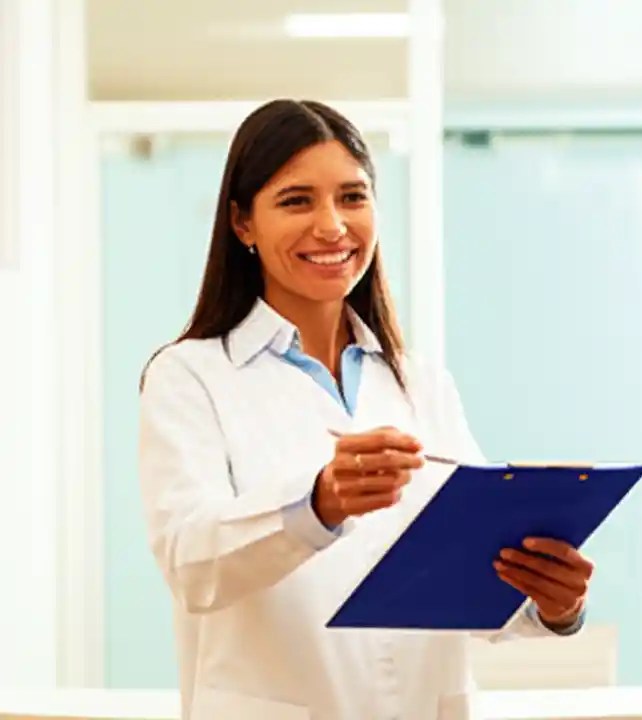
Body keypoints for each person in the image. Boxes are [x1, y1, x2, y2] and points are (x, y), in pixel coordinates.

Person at [138, 100, 594, 720]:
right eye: (297, 201)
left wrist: (551, 603)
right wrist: (318, 502)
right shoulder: (190, 376)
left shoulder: (420, 382)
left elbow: (470, 580)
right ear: (242, 223)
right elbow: (192, 563)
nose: (332, 226)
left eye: (353, 197)